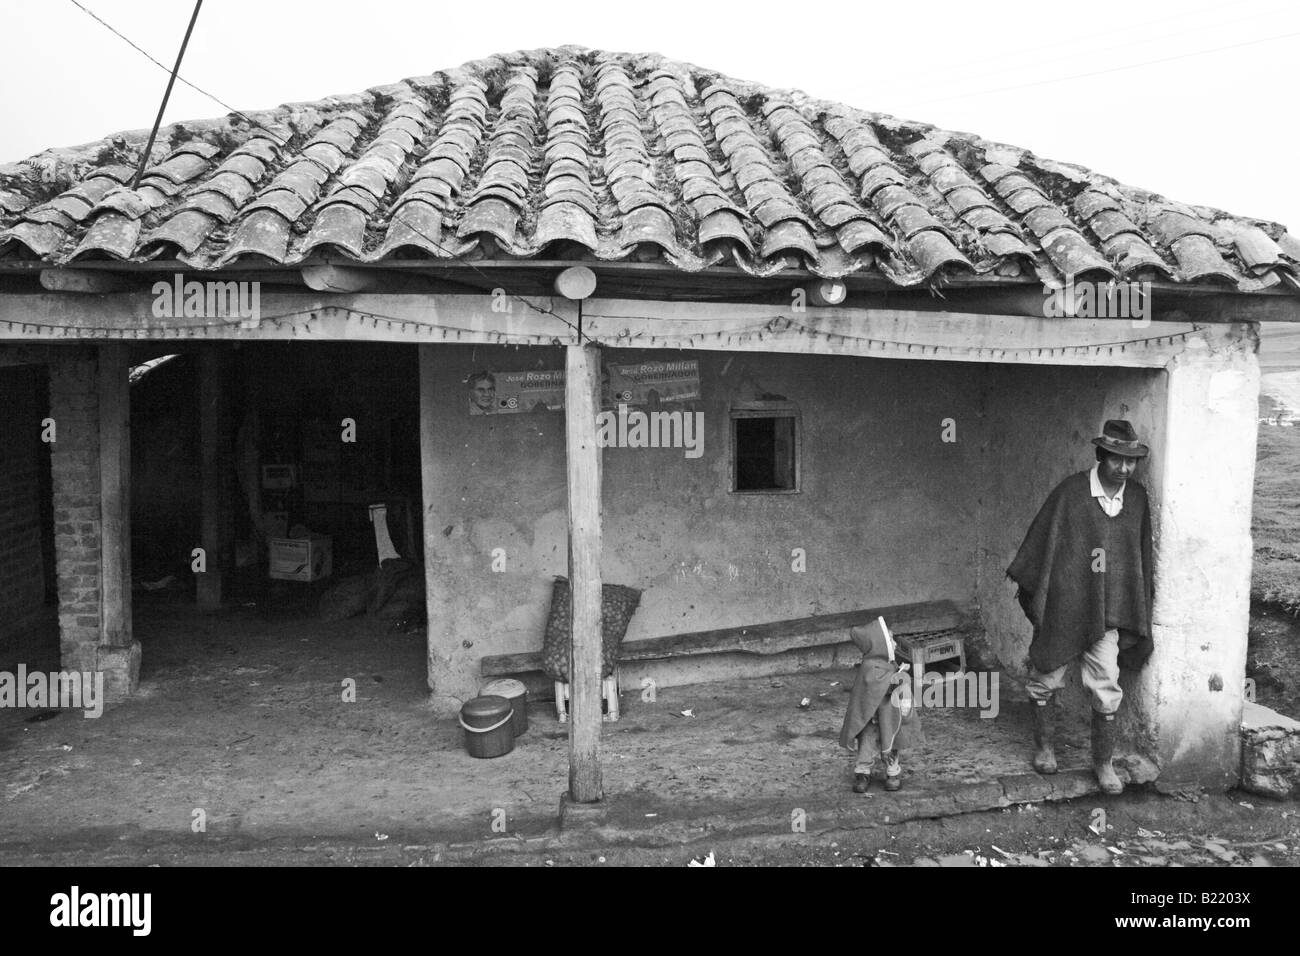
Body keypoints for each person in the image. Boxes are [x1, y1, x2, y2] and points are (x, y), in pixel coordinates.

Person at [1006, 419, 1155, 795]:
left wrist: (1129, 604)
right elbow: (1042, 544)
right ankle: (1045, 747)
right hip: (1064, 608)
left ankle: (1103, 763)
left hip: (1106, 613)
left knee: (1106, 683)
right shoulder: (1071, 493)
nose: (1124, 468)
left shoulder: (1136, 500)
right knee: (1046, 679)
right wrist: (1046, 595)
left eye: (1131, 461)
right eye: (1117, 460)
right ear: (1101, 456)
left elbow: (1137, 559)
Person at [838, 617, 921, 793]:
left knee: (891, 743)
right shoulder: (870, 667)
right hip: (870, 719)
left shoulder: (887, 664)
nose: (895, 644)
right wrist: (899, 678)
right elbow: (879, 687)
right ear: (879, 644)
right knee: (866, 747)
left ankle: (892, 773)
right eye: (891, 640)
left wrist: (900, 675)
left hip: (887, 717)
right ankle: (862, 773)